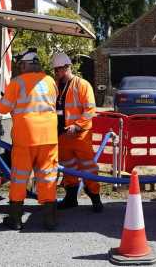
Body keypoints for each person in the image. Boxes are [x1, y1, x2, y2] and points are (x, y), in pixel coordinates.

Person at [0, 48, 60, 230]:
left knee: (19, 177)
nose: (20, 67)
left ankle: (15, 219)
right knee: (47, 177)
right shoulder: (50, 81)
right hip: (48, 137)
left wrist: (1, 101)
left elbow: (2, 108)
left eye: (21, 64)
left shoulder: (17, 82)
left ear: (26, 64)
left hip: (26, 138)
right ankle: (50, 219)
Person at [51, 52, 103, 213]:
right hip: (62, 136)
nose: (56, 73)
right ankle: (71, 198)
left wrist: (77, 126)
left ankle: (95, 198)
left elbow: (90, 110)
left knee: (87, 167)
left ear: (67, 67)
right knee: (68, 168)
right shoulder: (55, 85)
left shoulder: (82, 85)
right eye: (55, 70)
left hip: (80, 135)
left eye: (59, 69)